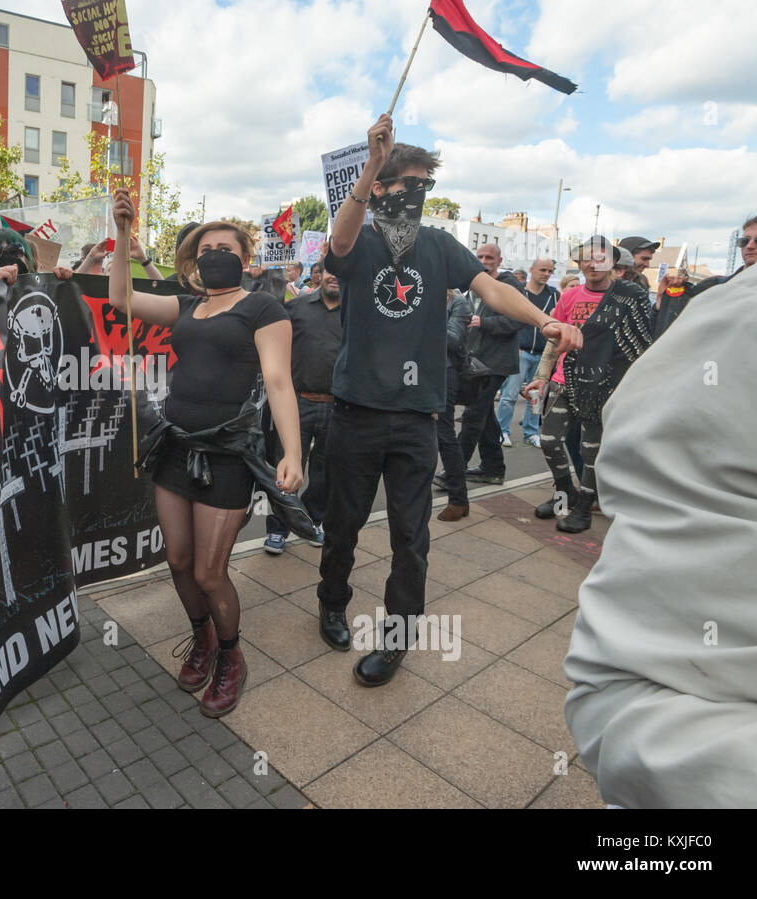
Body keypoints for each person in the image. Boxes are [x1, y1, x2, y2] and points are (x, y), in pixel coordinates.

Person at [315, 114, 581, 688]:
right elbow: (336, 242)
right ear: (380, 187)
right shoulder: (358, 236)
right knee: (344, 524)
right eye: (403, 184)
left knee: (412, 537)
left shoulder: (439, 247)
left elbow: (494, 289)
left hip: (415, 418)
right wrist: (369, 165)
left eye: (423, 187)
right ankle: (332, 601)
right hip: (356, 413)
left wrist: (545, 319)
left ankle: (396, 640)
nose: (414, 196)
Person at [564, 259, 757, 808]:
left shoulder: (645, 298)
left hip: (609, 391)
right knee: (576, 457)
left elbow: (638, 349)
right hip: (590, 391)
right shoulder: (740, 313)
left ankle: (582, 501)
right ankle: (579, 502)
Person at [109, 189, 307, 718]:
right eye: (204, 247)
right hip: (175, 448)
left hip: (226, 455)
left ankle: (230, 656)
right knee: (177, 560)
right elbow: (121, 301)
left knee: (209, 572)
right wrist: (124, 234)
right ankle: (201, 638)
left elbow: (280, 381)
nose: (213, 252)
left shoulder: (265, 307)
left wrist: (293, 453)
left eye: (225, 245)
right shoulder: (188, 305)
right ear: (194, 260)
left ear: (244, 257)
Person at [523, 236, 653, 533]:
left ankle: (584, 505)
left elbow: (639, 344)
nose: (592, 264)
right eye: (585, 258)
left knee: (590, 449)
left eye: (600, 258)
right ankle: (564, 492)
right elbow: (554, 338)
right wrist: (542, 376)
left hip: (602, 386)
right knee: (549, 440)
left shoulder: (628, 296)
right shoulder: (569, 296)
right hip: (564, 381)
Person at [262, 267, 341, 553]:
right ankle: (278, 529)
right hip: (297, 404)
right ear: (320, 275)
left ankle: (311, 522)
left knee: (325, 473)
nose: (335, 276)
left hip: (338, 407)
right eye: (331, 271)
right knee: (285, 468)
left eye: (341, 271)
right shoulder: (295, 308)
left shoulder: (357, 315)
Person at [459, 242, 524, 484]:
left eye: (489, 257)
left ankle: (456, 467)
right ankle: (493, 468)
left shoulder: (508, 286)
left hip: (495, 362)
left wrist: (482, 323)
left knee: (473, 415)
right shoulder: (472, 286)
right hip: (474, 361)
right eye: (480, 256)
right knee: (484, 415)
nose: (484, 260)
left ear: (499, 260)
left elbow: (518, 320)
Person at [496, 257, 559, 448]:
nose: (546, 274)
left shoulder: (554, 294)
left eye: (550, 271)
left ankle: (531, 433)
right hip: (521, 351)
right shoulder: (519, 291)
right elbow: (506, 317)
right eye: (542, 270)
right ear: (532, 269)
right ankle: (502, 431)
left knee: (536, 397)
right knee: (509, 395)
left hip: (542, 353)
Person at [433, 287, 473, 520]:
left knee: (444, 434)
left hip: (443, 373)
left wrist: (420, 320)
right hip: (414, 369)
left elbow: (452, 339)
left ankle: (459, 499)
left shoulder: (457, 302)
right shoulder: (418, 294)